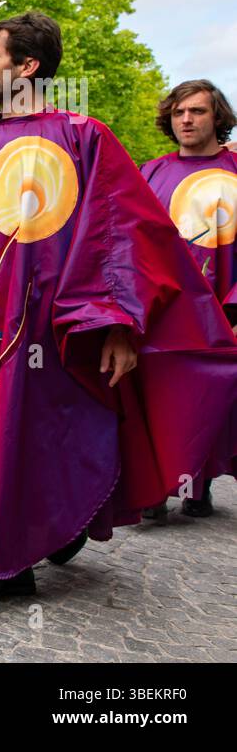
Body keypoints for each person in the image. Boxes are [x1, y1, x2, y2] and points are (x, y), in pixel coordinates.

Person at [0, 12, 237, 600]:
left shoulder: (84, 136)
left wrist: (120, 322)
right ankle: (24, 541)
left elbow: (121, 232)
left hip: (53, 328)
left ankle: (11, 562)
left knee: (39, 436)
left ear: (26, 67)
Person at [140, 78, 237, 518]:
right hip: (162, 309)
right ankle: (156, 487)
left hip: (221, 307)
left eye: (197, 111)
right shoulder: (151, 173)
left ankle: (199, 482)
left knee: (210, 394)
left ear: (217, 116)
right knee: (158, 395)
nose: (186, 120)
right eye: (179, 112)